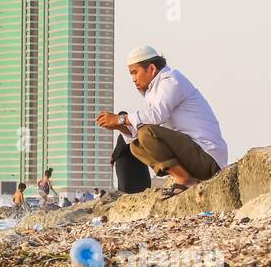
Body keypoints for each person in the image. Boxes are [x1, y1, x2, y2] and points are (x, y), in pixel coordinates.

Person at [97, 46, 228, 197]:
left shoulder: (171, 80)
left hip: (208, 157)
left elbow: (157, 116)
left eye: (135, 72)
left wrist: (120, 118)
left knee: (146, 133)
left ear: (151, 68)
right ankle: (185, 178)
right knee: (135, 146)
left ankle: (184, 179)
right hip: (193, 155)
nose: (133, 79)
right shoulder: (154, 90)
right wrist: (119, 126)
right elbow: (142, 129)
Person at [110, 114, 152, 194]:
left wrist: (113, 158)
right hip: (138, 166)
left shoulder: (126, 135)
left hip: (128, 167)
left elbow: (121, 149)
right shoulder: (137, 132)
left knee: (127, 189)